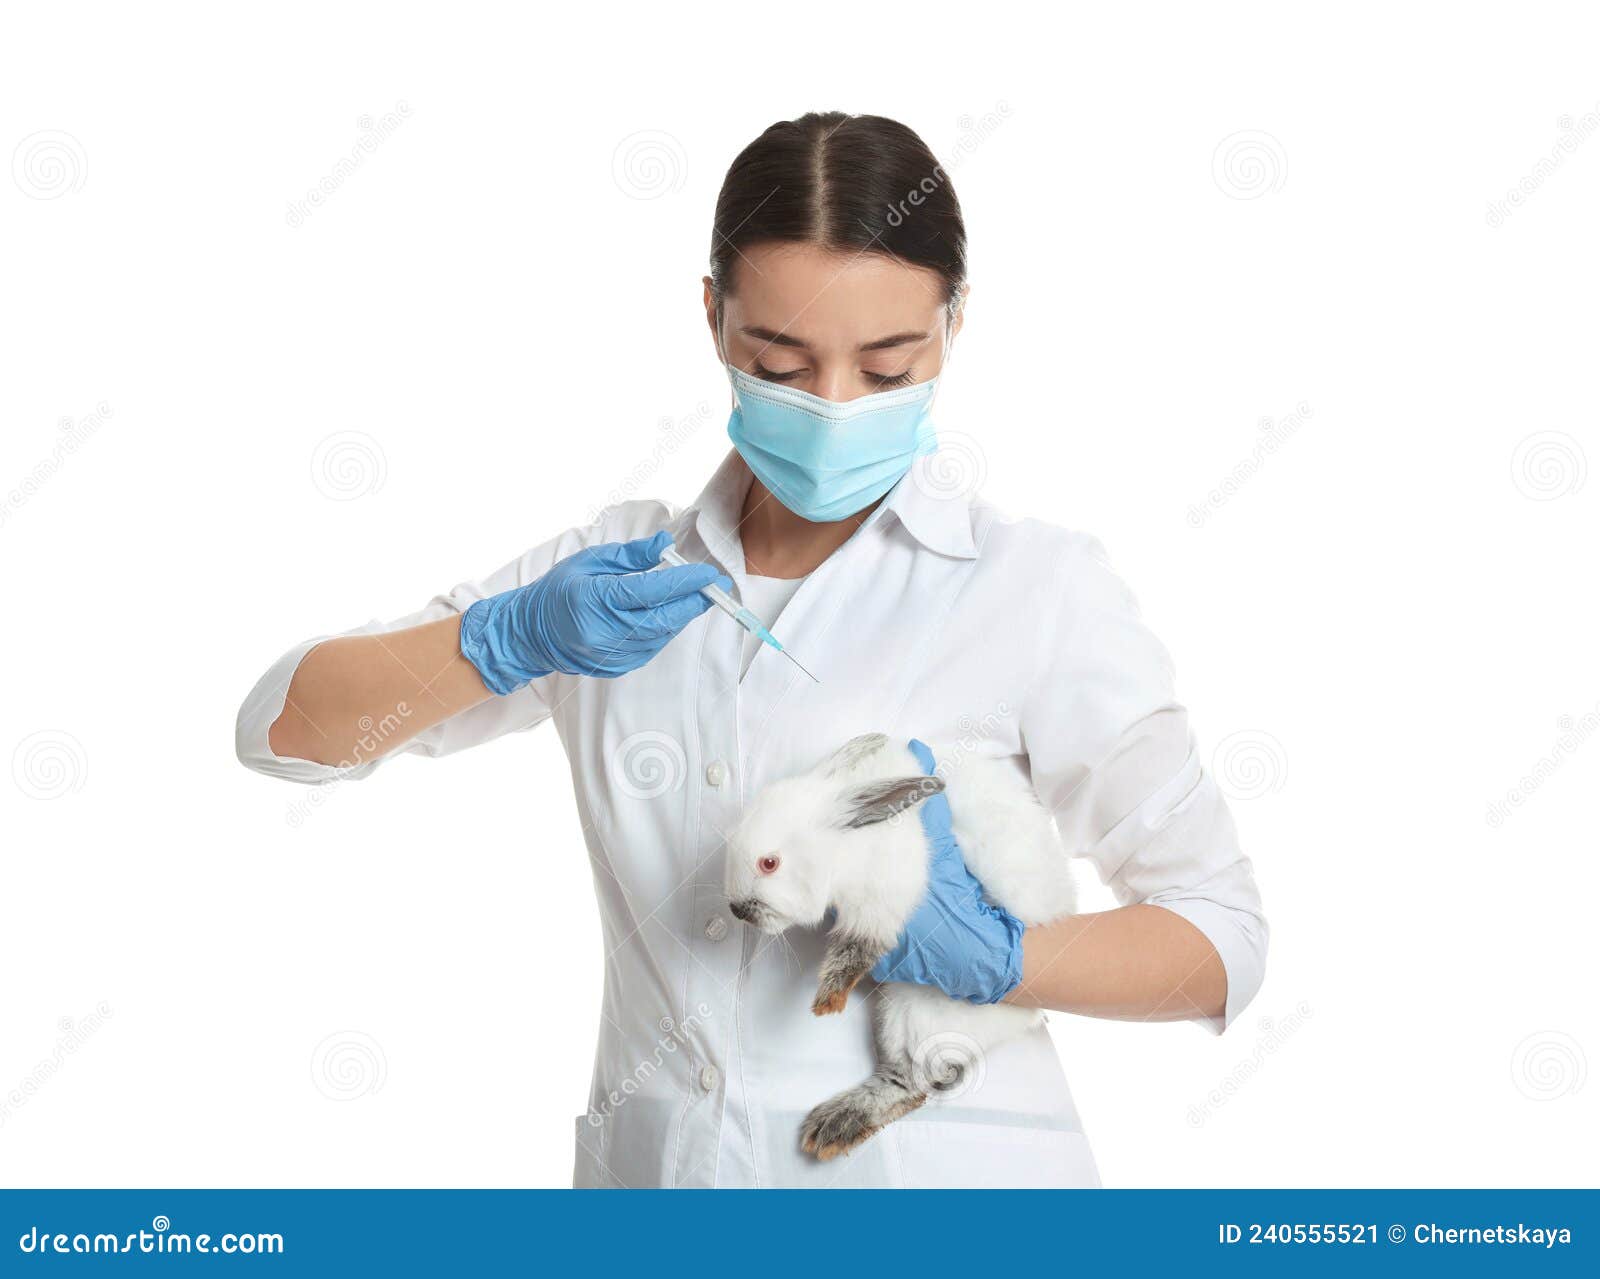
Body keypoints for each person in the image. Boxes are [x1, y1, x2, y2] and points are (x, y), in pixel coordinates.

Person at [236, 111, 1267, 1188]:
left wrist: (1008, 962)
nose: (830, 407)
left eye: (885, 365)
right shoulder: (611, 576)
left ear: (953, 324)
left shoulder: (1033, 589)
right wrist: (503, 639)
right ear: (713, 318)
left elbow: (1221, 941)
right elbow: (284, 730)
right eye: (780, 358)